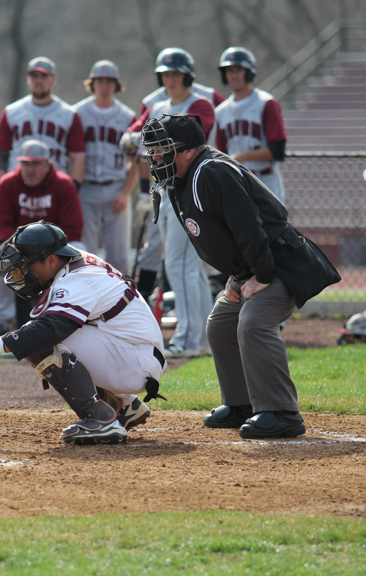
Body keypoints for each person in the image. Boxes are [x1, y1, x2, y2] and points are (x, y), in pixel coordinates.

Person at [141, 113, 339, 439]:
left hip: (280, 264)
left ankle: (282, 412)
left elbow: (250, 225)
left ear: (188, 150)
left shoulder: (211, 172)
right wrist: (236, 277)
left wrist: (260, 274)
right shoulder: (181, 177)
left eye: (163, 149)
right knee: (220, 324)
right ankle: (241, 404)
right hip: (252, 268)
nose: (155, 157)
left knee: (254, 323)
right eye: (153, 151)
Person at [0, 221, 166, 445]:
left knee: (41, 339)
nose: (20, 273)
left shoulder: (75, 280)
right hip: (134, 351)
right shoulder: (72, 263)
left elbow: (46, 332)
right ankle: (124, 405)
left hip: (137, 360)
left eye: (25, 265)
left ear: (51, 260)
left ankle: (101, 418)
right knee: (45, 332)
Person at [123, 53, 218, 358]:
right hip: (164, 190)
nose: (171, 79)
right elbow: (129, 136)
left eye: (176, 74)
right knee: (188, 268)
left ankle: (188, 338)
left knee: (181, 265)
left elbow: (184, 141)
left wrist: (143, 139)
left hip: (190, 188)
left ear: (188, 76)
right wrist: (138, 138)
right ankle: (202, 337)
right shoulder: (157, 106)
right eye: (166, 74)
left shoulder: (199, 104)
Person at [0, 140, 84, 338]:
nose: (30, 170)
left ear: (48, 164)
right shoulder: (7, 183)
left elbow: (73, 229)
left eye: (36, 164)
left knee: (81, 250)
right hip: (15, 248)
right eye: (26, 164)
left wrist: (45, 250)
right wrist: (22, 247)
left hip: (52, 252)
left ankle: (72, 317)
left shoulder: (63, 184)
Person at [72, 60, 138, 273]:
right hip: (86, 189)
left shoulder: (127, 116)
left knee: (118, 255)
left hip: (115, 188)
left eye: (109, 81)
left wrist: (126, 192)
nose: (104, 86)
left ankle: (119, 304)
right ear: (92, 83)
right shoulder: (77, 113)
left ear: (116, 85)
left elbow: (137, 158)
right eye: (99, 80)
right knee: (83, 254)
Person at [0, 56, 86, 187]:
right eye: (34, 76)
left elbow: (78, 156)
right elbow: (1, 155)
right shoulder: (11, 112)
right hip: (18, 183)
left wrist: (74, 187)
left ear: (54, 79)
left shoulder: (69, 114)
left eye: (44, 76)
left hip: (54, 185)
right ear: (28, 79)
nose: (38, 81)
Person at [213, 47, 288, 201]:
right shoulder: (220, 112)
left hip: (265, 179)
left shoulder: (266, 103)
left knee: (271, 225)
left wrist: (242, 157)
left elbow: (278, 149)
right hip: (236, 181)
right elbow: (221, 152)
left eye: (238, 70)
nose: (234, 75)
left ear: (249, 72)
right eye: (229, 70)